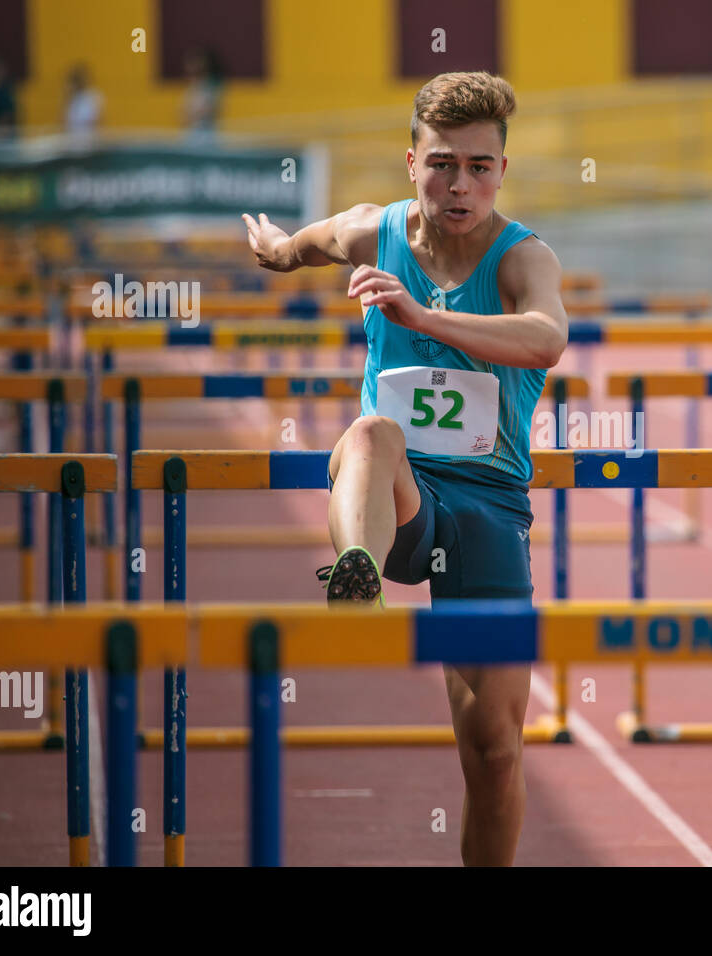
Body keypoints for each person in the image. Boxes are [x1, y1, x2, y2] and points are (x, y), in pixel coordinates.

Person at [242, 71, 568, 867]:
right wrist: (278, 251)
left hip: (489, 508)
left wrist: (423, 316)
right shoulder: (374, 231)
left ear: (501, 170)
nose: (461, 185)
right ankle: (357, 576)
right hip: (401, 498)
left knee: (493, 753)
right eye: (443, 164)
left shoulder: (524, 259)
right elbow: (309, 244)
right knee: (368, 433)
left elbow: (546, 340)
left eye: (480, 167)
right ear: (411, 162)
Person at [63, 64, 103, 142]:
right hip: (72, 142)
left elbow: (99, 122)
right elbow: (65, 122)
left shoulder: (94, 96)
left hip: (90, 143)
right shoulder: (71, 98)